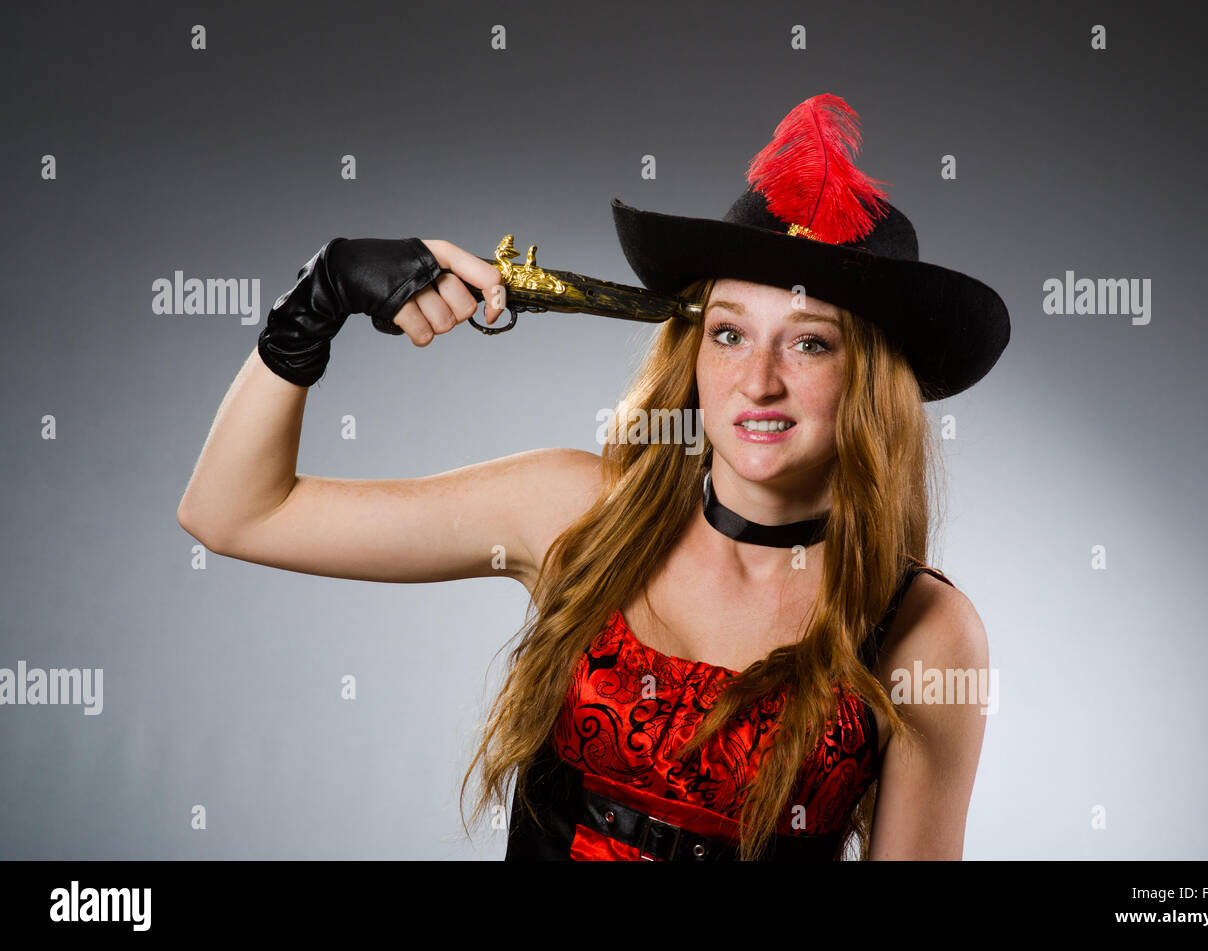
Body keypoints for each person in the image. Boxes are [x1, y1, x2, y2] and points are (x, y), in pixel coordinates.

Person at [177, 93, 1010, 861]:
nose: (758, 380)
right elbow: (236, 512)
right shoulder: (578, 513)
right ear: (692, 350)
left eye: (810, 341)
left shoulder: (926, 630)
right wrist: (311, 307)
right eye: (728, 333)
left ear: (870, 382)